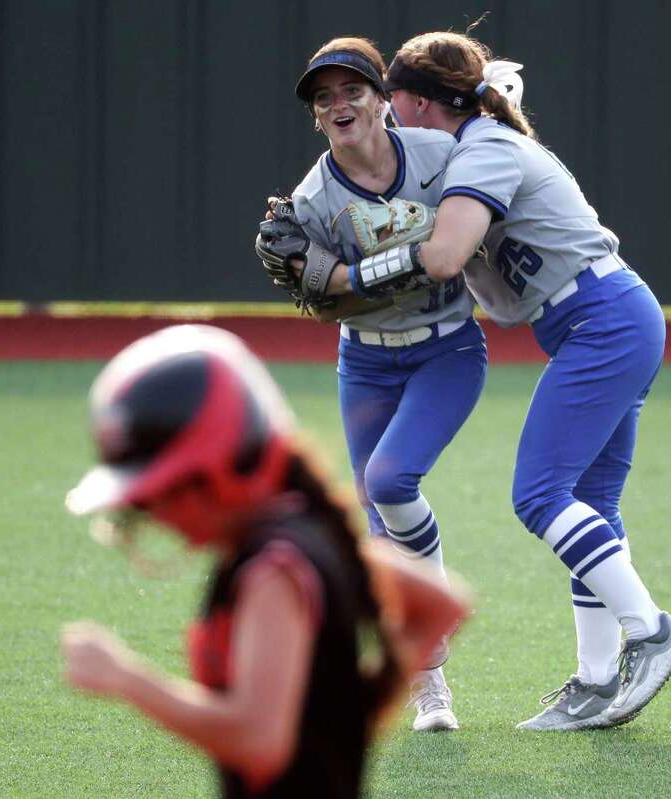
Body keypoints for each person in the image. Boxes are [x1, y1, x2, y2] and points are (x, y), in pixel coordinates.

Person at [283, 31, 671, 731]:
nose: (352, 106)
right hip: (597, 317)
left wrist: (349, 276)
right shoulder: (466, 141)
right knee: (591, 499)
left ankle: (652, 631)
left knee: (539, 493)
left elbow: (446, 255)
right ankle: (597, 681)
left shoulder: (475, 146)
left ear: (406, 101)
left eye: (377, 93)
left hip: (600, 317)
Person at [59, 324, 471, 798]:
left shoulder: (273, 568)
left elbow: (259, 743)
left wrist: (126, 678)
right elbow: (443, 603)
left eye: (159, 495)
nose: (155, 516)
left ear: (219, 471)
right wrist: (357, 713)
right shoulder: (311, 532)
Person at [255, 37, 486, 731]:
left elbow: (475, 232)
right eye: (323, 98)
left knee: (388, 481)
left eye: (352, 89)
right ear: (316, 118)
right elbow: (330, 303)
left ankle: (433, 630)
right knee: (379, 525)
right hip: (366, 360)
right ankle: (430, 685)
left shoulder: (440, 156)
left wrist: (358, 275)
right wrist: (331, 286)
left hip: (446, 349)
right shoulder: (315, 199)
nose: (339, 104)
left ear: (383, 98)